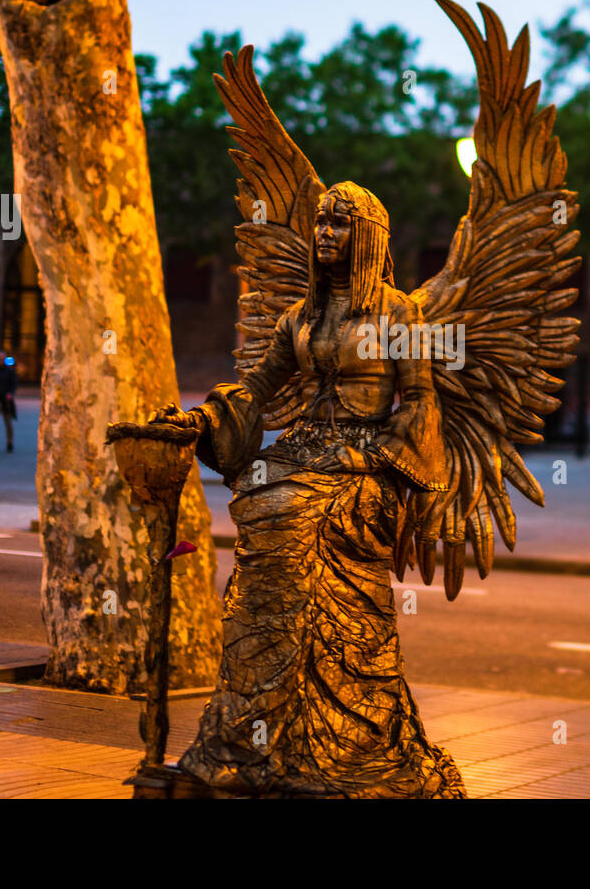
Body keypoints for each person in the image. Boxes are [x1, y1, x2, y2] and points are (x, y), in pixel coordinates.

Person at [151, 182, 464, 798]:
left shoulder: (400, 312)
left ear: (367, 238)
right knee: (263, 508)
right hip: (301, 452)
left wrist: (375, 452)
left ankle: (336, 745)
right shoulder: (302, 314)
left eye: (340, 225)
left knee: (288, 511)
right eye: (321, 222)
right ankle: (245, 737)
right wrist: (202, 420)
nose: (325, 233)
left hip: (365, 465)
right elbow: (259, 385)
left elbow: (423, 400)